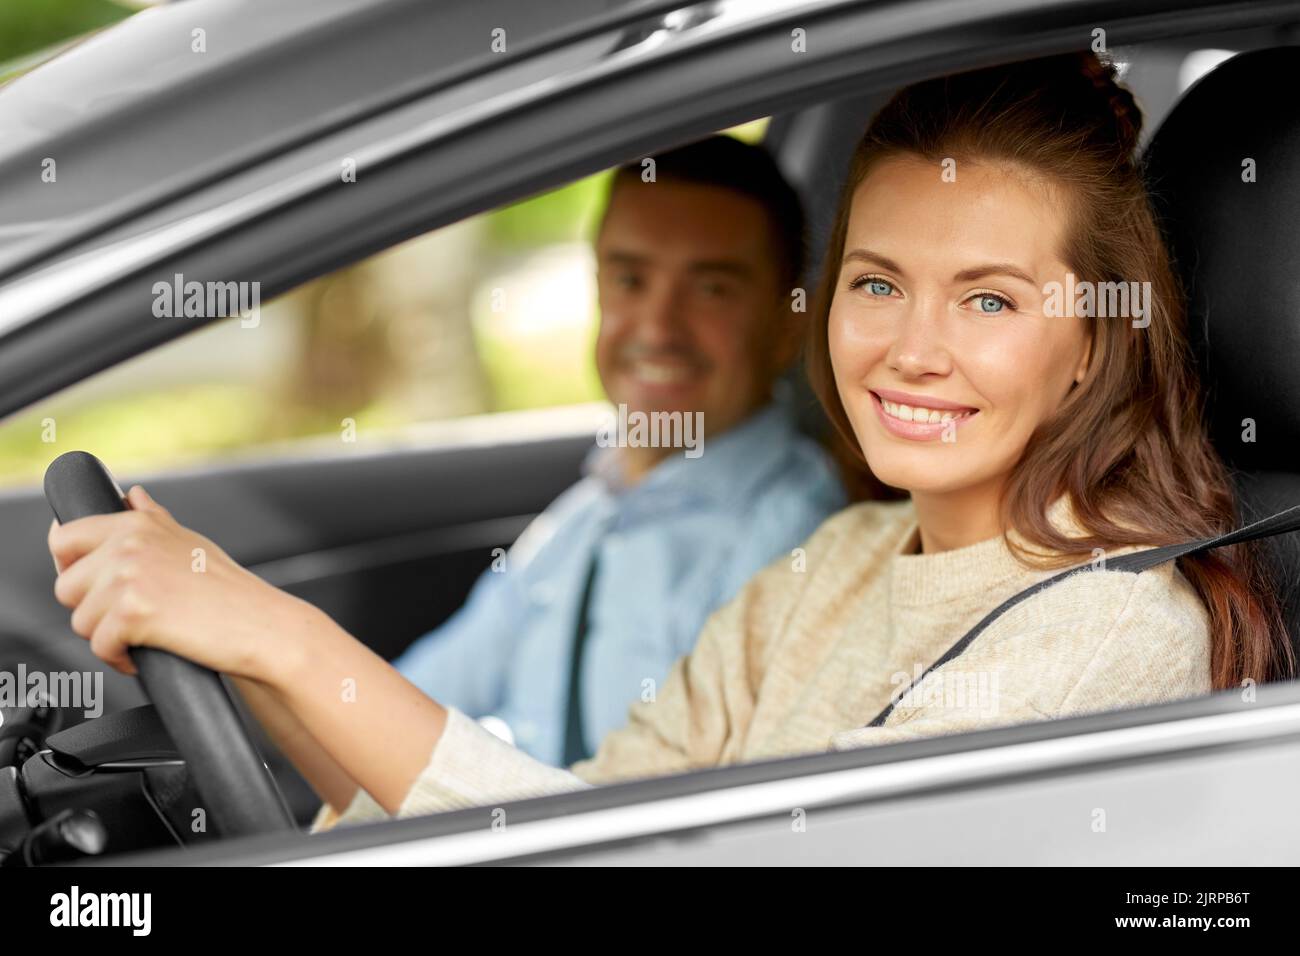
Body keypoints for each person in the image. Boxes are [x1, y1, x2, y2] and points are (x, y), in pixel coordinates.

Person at [47, 51, 1294, 833]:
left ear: (1093, 341)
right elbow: (594, 822)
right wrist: (240, 633)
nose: (912, 348)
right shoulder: (839, 559)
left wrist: (277, 632)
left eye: (987, 300)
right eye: (876, 283)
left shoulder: (1107, 635)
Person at [391, 135, 846, 766]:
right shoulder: (582, 517)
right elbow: (411, 703)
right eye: (631, 279)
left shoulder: (793, 537)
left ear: (788, 322)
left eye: (712, 289)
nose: (658, 328)